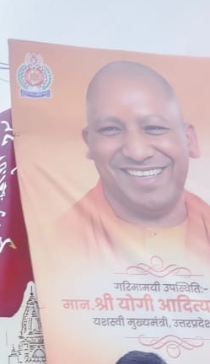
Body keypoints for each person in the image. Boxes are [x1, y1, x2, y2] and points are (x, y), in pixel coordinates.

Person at [54, 60, 209, 268]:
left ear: (189, 140)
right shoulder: (55, 243)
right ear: (89, 142)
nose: (137, 152)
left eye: (154, 128)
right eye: (110, 130)